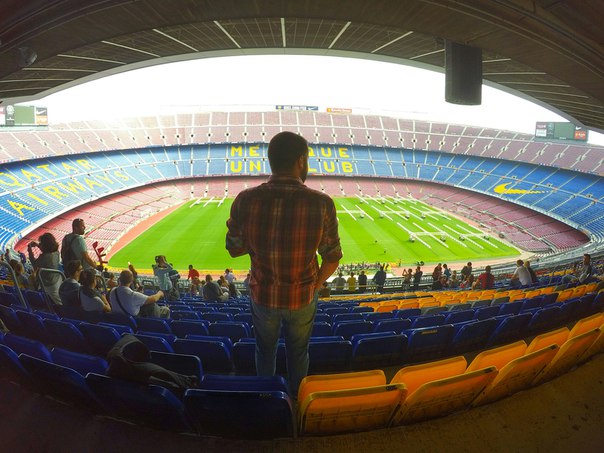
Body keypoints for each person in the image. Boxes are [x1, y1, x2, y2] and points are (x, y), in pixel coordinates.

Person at [226, 131, 342, 396]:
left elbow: (234, 250)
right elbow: (332, 257)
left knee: (264, 351)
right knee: (298, 352)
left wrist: (253, 239)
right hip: (302, 296)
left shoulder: (245, 199)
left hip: (263, 295)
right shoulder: (322, 203)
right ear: (301, 161)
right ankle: (297, 399)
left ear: (271, 160)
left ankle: (266, 399)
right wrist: (315, 285)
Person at [27, 233, 62, 305]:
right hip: (58, 278)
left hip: (50, 284)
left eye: (41, 243)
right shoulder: (56, 252)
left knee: (58, 302)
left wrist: (30, 251)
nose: (40, 244)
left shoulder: (44, 257)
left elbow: (34, 264)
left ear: (45, 245)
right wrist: (37, 245)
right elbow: (47, 249)